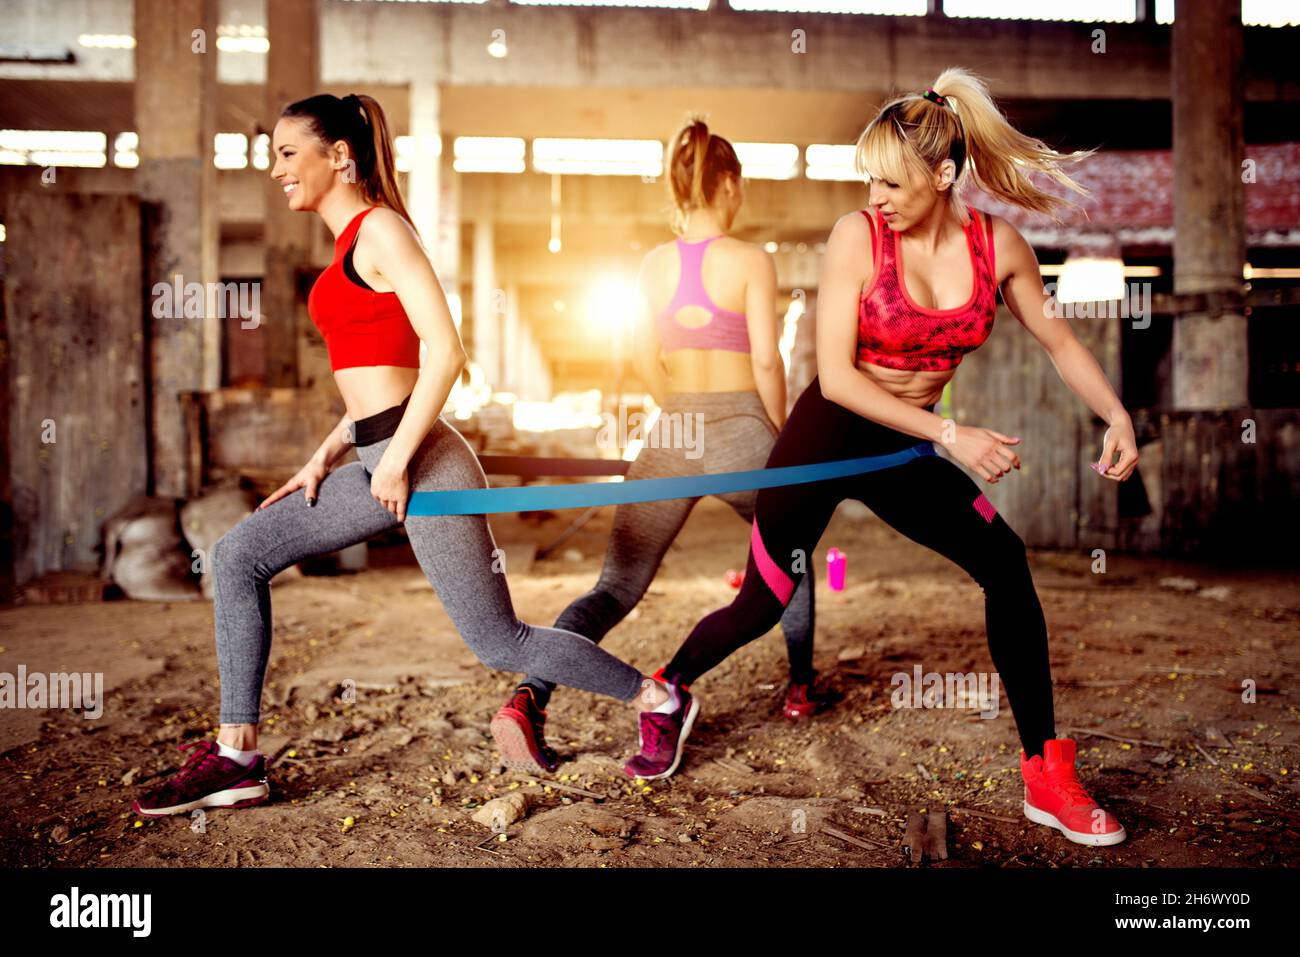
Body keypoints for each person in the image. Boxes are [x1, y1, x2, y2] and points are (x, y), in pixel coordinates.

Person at [623, 69, 1139, 848]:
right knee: (763, 602)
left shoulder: (998, 249)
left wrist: (1117, 413)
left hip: (905, 447)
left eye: (892, 180)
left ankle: (1044, 771)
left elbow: (1061, 338)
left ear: (944, 175)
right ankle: (667, 690)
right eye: (869, 177)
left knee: (1005, 560)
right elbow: (834, 378)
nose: (877, 194)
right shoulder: (856, 236)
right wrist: (951, 436)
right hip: (828, 435)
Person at [133, 93, 682, 817]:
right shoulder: (343, 247)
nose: (276, 172)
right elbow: (371, 375)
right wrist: (326, 453)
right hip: (376, 457)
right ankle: (237, 755)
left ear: (339, 155)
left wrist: (395, 461)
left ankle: (660, 699)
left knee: (498, 640)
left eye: (287, 154)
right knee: (238, 556)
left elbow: (446, 352)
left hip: (422, 459)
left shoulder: (381, 230)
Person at [491, 119, 823, 775]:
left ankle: (530, 696)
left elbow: (643, 356)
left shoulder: (653, 265)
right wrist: (781, 441)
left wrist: (678, 411)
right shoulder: (752, 260)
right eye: (740, 188)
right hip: (742, 429)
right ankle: (800, 687)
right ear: (728, 184)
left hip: (672, 430)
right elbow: (766, 362)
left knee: (614, 584)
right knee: (792, 551)